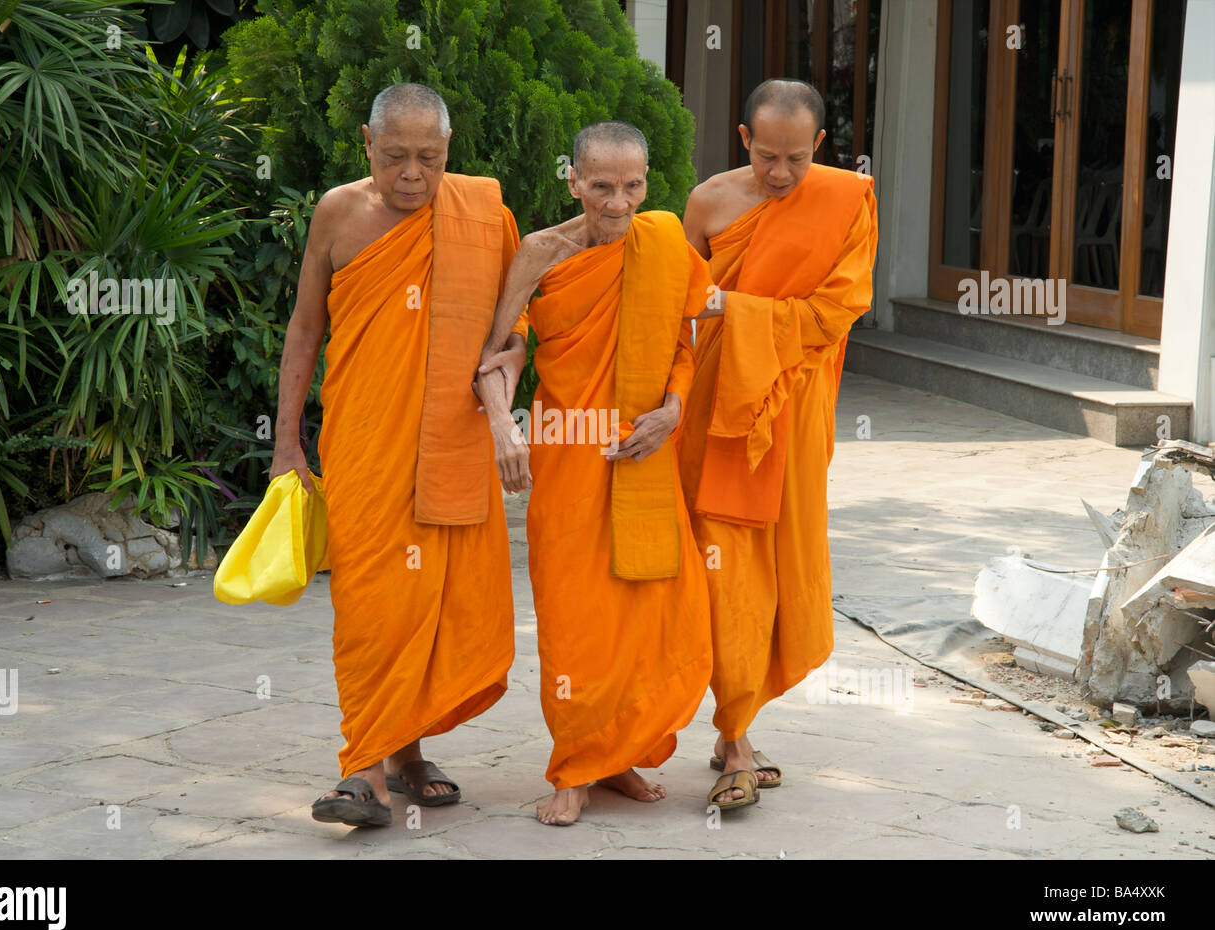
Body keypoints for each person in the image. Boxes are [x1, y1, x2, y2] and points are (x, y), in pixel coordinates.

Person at [270, 82, 528, 828]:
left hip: (452, 443)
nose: (413, 174)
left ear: (449, 152)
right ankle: (362, 769)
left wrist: (505, 415)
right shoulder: (339, 214)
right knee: (372, 606)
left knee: (432, 605)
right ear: (365, 145)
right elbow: (303, 330)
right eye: (396, 158)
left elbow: (512, 338)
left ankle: (407, 754)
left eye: (430, 158)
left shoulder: (482, 212)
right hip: (364, 443)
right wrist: (287, 443)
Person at [475, 121, 714, 826]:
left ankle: (620, 757)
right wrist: (501, 423)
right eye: (601, 186)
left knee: (655, 614)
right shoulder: (540, 254)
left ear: (647, 182)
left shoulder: (663, 241)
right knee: (575, 616)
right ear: (572, 181)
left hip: (645, 450)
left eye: (633, 185)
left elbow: (684, 336)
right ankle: (575, 765)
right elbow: (500, 351)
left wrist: (674, 408)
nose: (618, 202)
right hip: (569, 453)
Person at [678, 79, 879, 808]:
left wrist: (739, 308)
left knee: (778, 570)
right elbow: (680, 307)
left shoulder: (844, 202)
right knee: (725, 566)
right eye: (767, 157)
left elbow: (840, 310)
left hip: (791, 413)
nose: (782, 174)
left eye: (797, 158)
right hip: (715, 412)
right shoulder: (707, 204)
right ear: (743, 140)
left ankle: (739, 724)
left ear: (820, 147)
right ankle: (735, 739)